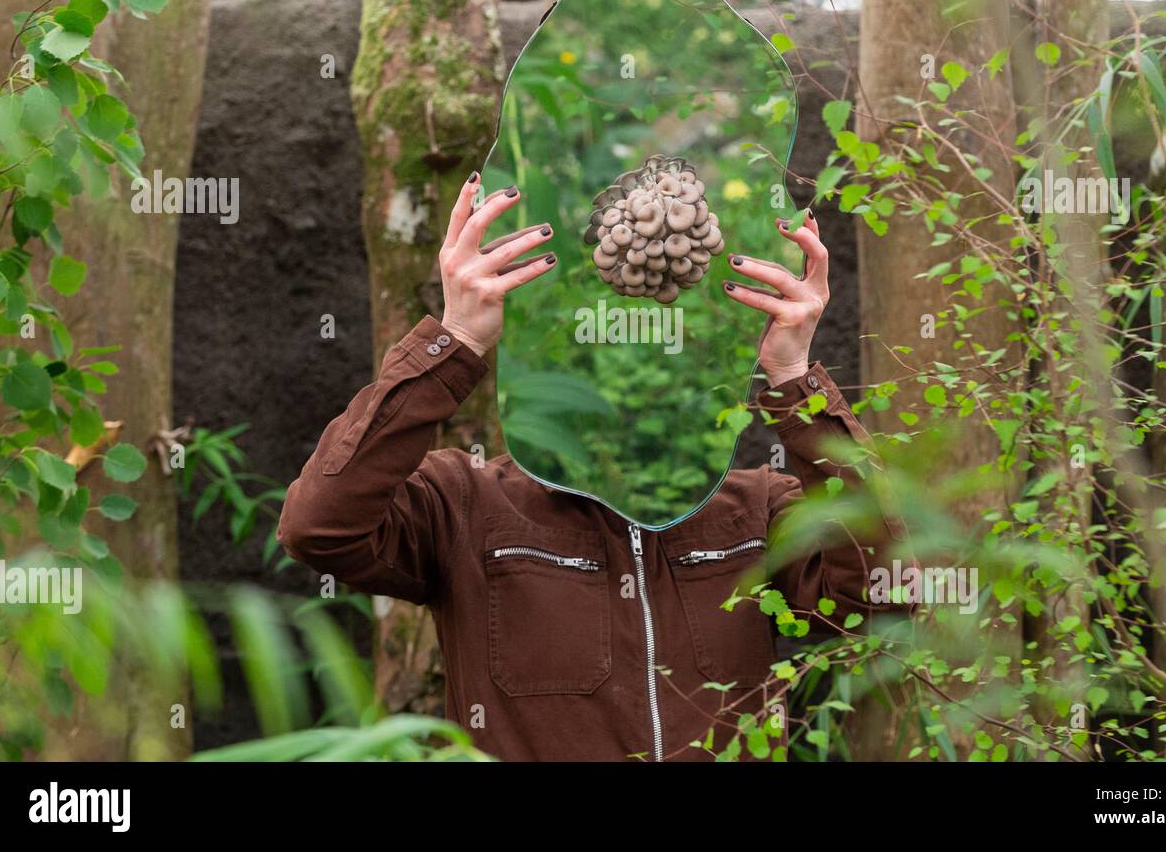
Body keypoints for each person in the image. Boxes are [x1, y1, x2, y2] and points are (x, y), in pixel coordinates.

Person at [278, 173, 911, 761]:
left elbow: (885, 593)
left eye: (667, 338)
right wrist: (455, 344)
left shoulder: (754, 509)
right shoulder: (467, 503)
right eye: (603, 334)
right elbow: (320, 527)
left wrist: (795, 381)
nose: (635, 360)